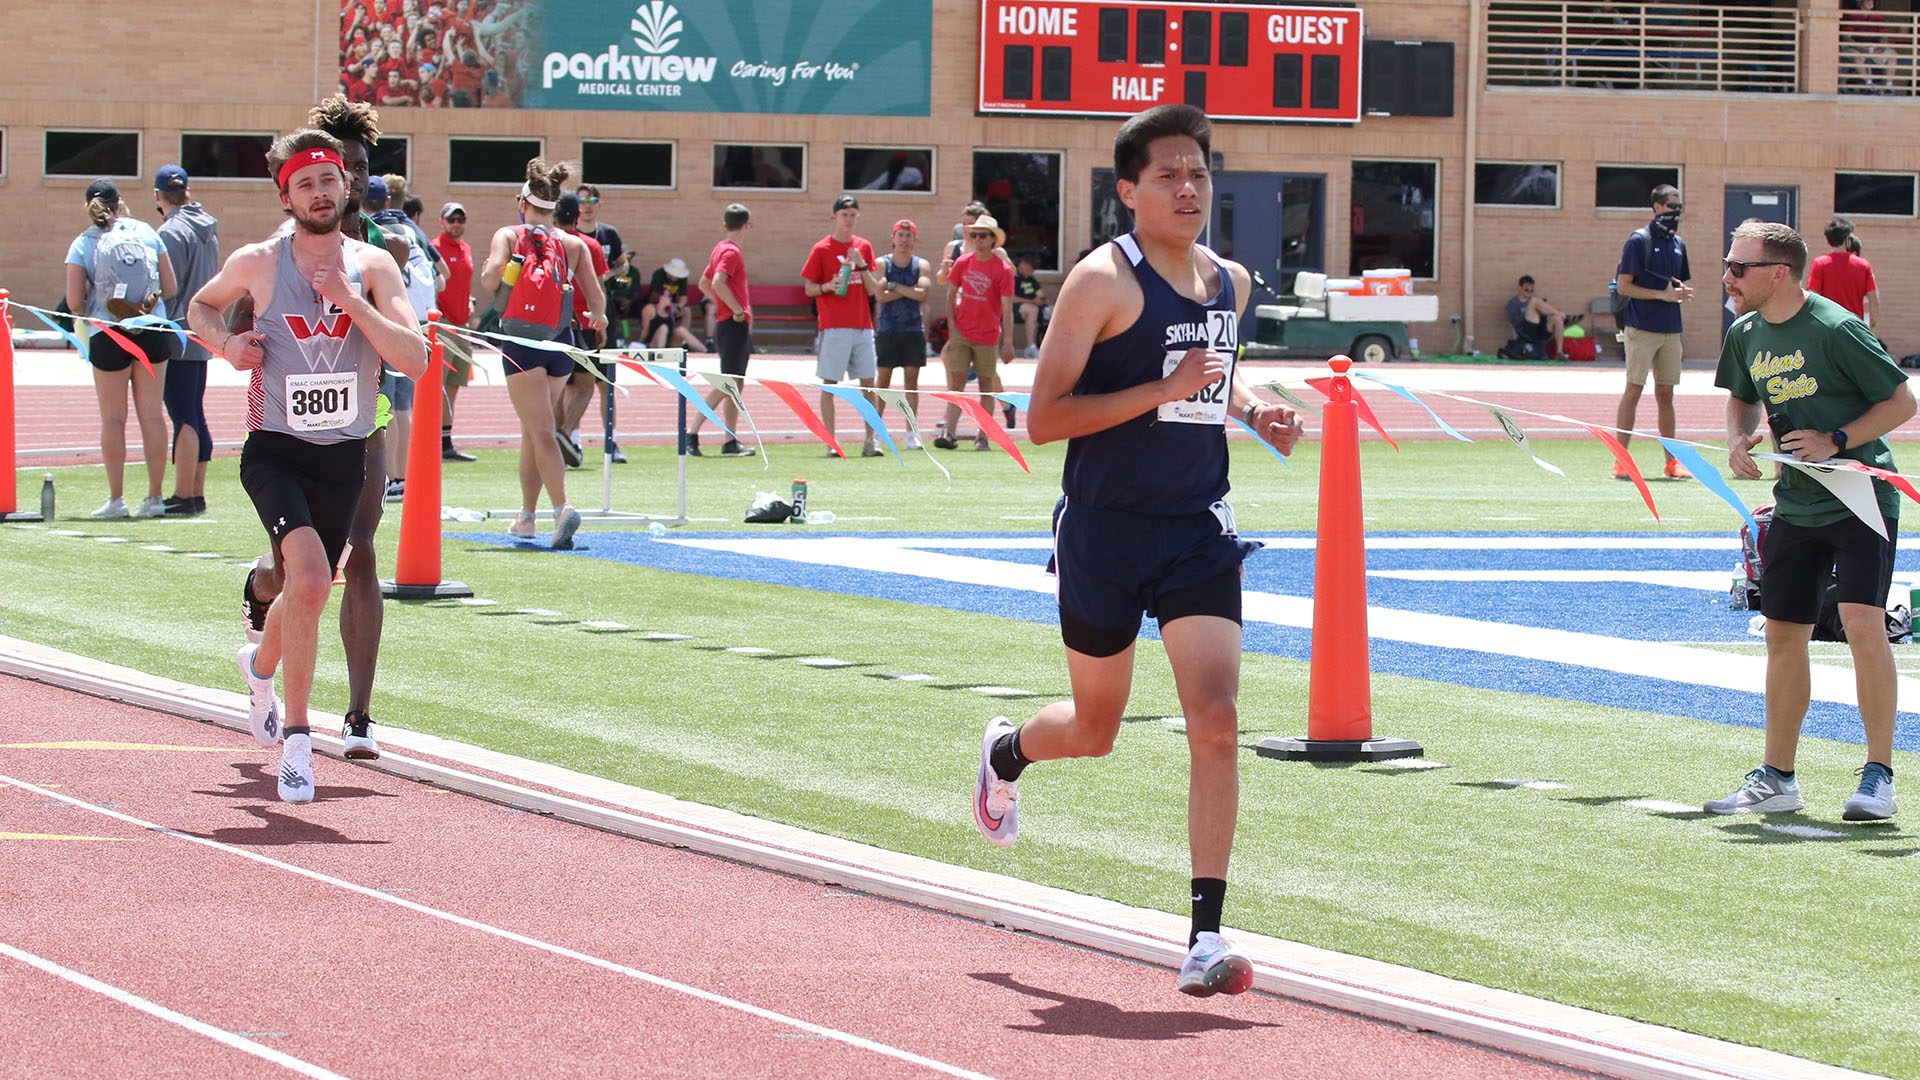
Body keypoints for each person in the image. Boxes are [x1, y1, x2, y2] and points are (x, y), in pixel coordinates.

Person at [973, 104, 1304, 998]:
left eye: (1199, 172)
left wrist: (1255, 410)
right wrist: (1161, 389)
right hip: (1104, 529)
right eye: (1168, 175)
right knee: (1096, 731)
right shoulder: (1100, 281)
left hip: (1197, 526)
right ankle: (1007, 755)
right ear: (1128, 190)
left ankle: (1205, 937)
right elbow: (1045, 420)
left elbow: (1214, 378)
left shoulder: (1230, 281)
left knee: (1218, 720)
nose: (1188, 188)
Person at [187, 128, 426, 803]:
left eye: (328, 181)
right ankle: (298, 743)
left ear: (346, 186)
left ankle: (259, 666)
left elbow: (414, 359)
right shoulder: (260, 261)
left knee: (307, 591)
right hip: (276, 452)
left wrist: (351, 302)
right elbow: (200, 306)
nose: (319, 193)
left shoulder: (374, 266)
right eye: (304, 184)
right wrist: (227, 343)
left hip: (344, 456)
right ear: (285, 197)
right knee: (314, 576)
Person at [1710, 220, 1913, 822]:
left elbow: (1902, 401)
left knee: (1862, 625)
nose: (1727, 277)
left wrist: (1838, 439)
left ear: (1779, 273)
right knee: (1782, 633)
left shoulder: (1836, 327)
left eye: (1738, 267)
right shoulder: (1744, 332)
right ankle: (1777, 777)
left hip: (1860, 496)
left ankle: (1879, 777)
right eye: (1727, 265)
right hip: (1796, 502)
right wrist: (1738, 437)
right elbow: (1741, 396)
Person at [240, 94, 411, 768]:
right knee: (295, 574)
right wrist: (239, 342)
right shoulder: (286, 245)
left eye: (361, 169)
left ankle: (359, 714)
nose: (354, 179)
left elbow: (412, 335)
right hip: (290, 431)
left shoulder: (385, 251)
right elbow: (240, 313)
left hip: (365, 420)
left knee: (358, 553)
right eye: (345, 167)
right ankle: (259, 595)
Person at [478, 157, 605, 547]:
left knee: (542, 430)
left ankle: (562, 508)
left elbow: (489, 281)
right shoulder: (573, 243)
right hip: (560, 344)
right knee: (532, 431)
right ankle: (527, 516)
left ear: (523, 202)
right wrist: (597, 319)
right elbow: (596, 300)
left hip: (522, 344)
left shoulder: (508, 234)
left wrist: (496, 270)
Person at [67, 178, 180, 520]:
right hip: (152, 327)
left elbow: (74, 302)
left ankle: (116, 499)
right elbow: (170, 286)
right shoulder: (146, 231)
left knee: (113, 419)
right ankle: (155, 498)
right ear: (120, 203)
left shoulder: (83, 243)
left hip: (109, 332)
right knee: (152, 415)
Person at [365, 175, 439, 500]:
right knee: (404, 405)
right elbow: (441, 277)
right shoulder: (413, 231)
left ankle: (387, 477)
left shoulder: (368, 231)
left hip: (386, 319)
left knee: (386, 402)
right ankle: (403, 477)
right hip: (418, 321)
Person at [1613, 184, 1695, 480]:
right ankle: (1621, 460)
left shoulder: (1678, 243)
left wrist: (1679, 293)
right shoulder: (1639, 240)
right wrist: (1663, 295)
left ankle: (1671, 462)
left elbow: (1676, 283)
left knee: (1666, 394)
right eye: (1672, 206)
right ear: (1657, 206)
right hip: (1641, 327)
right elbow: (1624, 286)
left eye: (1679, 206)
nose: (1677, 212)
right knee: (1634, 389)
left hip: (1671, 329)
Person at [153, 164, 220, 515]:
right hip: (201, 329)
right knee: (194, 410)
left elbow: (168, 288)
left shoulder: (170, 233)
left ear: (158, 196)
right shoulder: (207, 229)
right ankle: (195, 491)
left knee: (182, 414)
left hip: (177, 332)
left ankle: (182, 494)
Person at [800, 194, 886, 457]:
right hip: (834, 325)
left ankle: (871, 440)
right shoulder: (821, 248)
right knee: (830, 384)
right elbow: (809, 288)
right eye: (844, 215)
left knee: (868, 383)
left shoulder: (864, 246)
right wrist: (828, 286)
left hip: (862, 325)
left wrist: (862, 264)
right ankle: (831, 442)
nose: (848, 219)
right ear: (834, 217)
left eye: (853, 215)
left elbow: (872, 289)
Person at [936, 215, 1015, 451]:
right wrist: (952, 326)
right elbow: (950, 293)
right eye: (974, 234)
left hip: (988, 335)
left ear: (993, 240)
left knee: (986, 386)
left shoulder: (1003, 269)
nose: (977, 239)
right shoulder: (963, 262)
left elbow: (1007, 308)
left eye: (983, 235)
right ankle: (949, 434)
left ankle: (983, 436)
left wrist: (1008, 342)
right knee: (956, 383)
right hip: (962, 332)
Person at [690, 203, 756, 458]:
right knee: (728, 382)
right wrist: (736, 309)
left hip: (728, 322)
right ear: (746, 225)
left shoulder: (720, 248)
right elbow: (717, 282)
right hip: (732, 323)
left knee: (735, 383)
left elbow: (704, 283)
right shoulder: (731, 252)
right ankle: (691, 433)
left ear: (725, 224)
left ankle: (730, 440)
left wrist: (723, 304)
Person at [552, 191, 613, 467]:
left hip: (551, 321)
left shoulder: (546, 243)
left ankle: (557, 438)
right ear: (577, 216)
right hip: (583, 322)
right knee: (585, 386)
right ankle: (565, 433)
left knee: (557, 385)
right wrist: (600, 322)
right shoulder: (589, 244)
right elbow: (597, 288)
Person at [568, 183, 625, 461]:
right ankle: (573, 441)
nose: (587, 206)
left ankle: (610, 442)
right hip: (573, 315)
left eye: (592, 201)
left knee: (606, 381)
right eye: (582, 201)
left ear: (599, 204)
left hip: (602, 311)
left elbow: (623, 264)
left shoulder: (607, 234)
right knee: (572, 384)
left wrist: (606, 275)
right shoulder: (570, 237)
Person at [873, 219, 930, 451]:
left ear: (914, 240)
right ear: (893, 238)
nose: (904, 240)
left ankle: (910, 434)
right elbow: (880, 295)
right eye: (900, 235)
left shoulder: (921, 264)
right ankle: (876, 433)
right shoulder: (883, 263)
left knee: (911, 383)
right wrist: (908, 290)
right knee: (883, 382)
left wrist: (894, 286)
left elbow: (922, 293)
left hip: (913, 329)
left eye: (908, 236)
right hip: (888, 329)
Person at [432, 201, 477, 461]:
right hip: (444, 324)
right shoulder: (434, 248)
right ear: (442, 222)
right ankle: (431, 441)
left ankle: (446, 443)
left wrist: (469, 303)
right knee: (437, 386)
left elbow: (462, 284)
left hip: (462, 325)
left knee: (454, 385)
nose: (457, 224)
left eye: (461, 219)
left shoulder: (466, 249)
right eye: (452, 220)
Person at [1807, 217, 1879, 329]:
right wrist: (1873, 323)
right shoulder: (1863, 265)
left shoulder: (1820, 264)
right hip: (1854, 326)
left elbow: (1812, 296)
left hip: (1828, 325)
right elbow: (1873, 299)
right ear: (1847, 240)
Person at [644, 258, 705, 353]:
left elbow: (684, 297)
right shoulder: (651, 309)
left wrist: (678, 306)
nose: (676, 278)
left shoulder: (681, 280)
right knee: (663, 328)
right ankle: (662, 355)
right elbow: (654, 296)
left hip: (671, 335)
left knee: (686, 313)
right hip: (655, 341)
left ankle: (704, 351)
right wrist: (639, 344)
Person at [1504, 274, 1567, 358]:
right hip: (1525, 331)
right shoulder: (1513, 303)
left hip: (1539, 329)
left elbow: (1543, 317)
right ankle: (1562, 314)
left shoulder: (1535, 301)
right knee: (1534, 301)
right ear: (1519, 288)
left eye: (1531, 290)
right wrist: (1530, 310)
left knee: (1557, 319)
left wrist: (1540, 309)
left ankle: (1559, 353)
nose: (1529, 292)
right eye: (1526, 289)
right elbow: (1515, 322)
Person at [1013, 255, 1048, 358]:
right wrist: (1031, 301)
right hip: (1015, 308)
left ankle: (1048, 345)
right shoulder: (1014, 278)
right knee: (1032, 310)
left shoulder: (1031, 280)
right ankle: (1030, 346)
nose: (1029, 273)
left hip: (1032, 306)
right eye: (1028, 270)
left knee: (1052, 310)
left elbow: (1041, 294)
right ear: (1022, 264)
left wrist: (1042, 300)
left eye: (1031, 271)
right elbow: (1010, 298)